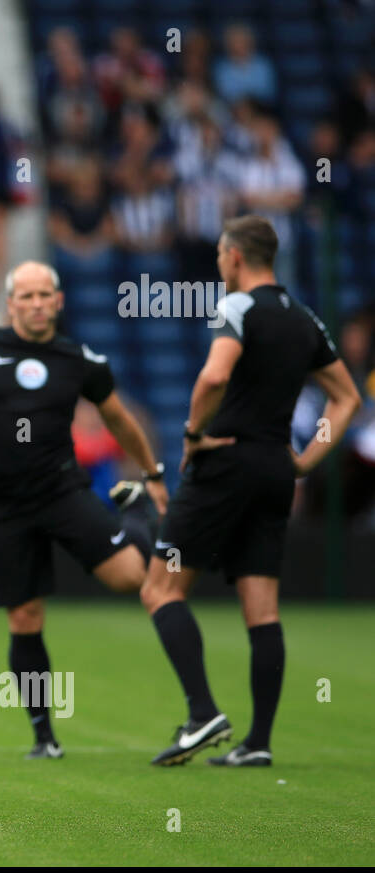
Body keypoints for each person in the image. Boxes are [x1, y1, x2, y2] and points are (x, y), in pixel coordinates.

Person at [0, 261, 169, 758]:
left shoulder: (79, 358)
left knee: (128, 578)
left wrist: (152, 475)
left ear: (58, 302)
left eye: (44, 295)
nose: (35, 304)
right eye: (25, 296)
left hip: (62, 493)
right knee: (26, 617)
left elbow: (119, 419)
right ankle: (44, 736)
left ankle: (135, 515)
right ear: (10, 304)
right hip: (4, 505)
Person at [139, 216, 361, 767]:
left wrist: (192, 436)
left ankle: (202, 713)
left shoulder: (237, 308)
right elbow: (346, 400)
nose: (218, 263)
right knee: (262, 609)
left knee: (160, 590)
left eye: (219, 254)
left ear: (236, 257)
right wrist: (307, 458)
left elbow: (214, 377)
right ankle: (257, 743)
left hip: (226, 461)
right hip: (273, 471)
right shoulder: (306, 319)